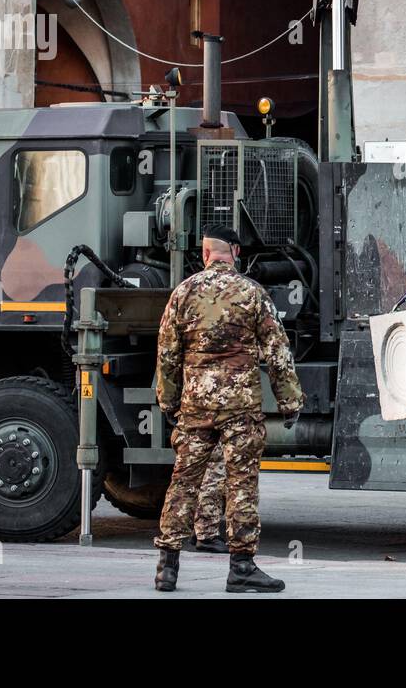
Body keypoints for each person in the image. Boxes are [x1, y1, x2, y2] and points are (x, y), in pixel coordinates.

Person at [152, 225, 303, 593]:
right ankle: (242, 567)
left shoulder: (183, 293)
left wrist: (168, 400)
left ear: (205, 254)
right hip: (240, 407)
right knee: (241, 484)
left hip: (196, 404)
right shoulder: (252, 293)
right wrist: (289, 402)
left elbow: (168, 354)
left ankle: (167, 567)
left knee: (183, 482)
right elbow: (277, 352)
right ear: (234, 251)